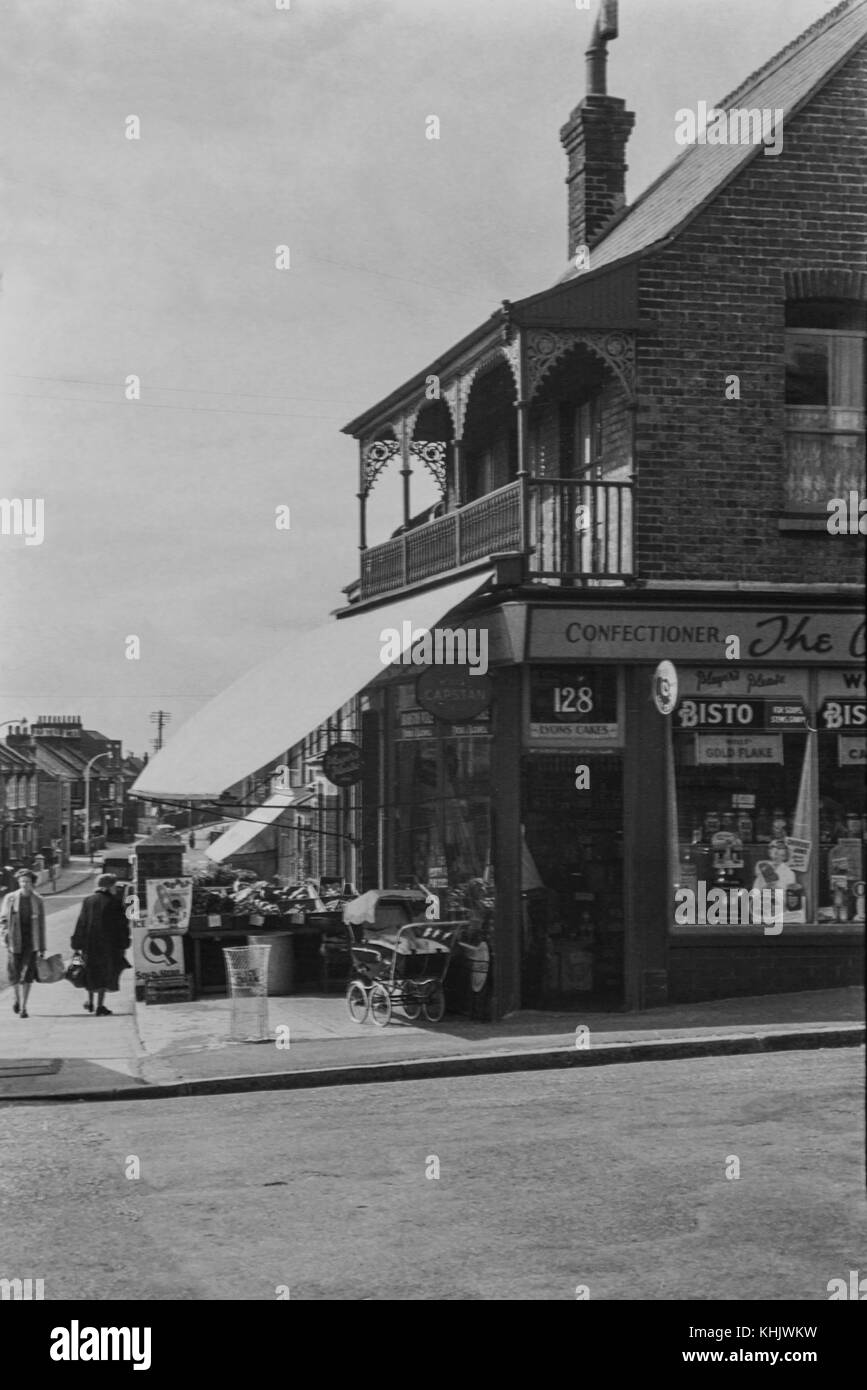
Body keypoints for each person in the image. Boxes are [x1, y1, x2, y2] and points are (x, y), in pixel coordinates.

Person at [71, 873, 130, 1016]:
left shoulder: (88, 901)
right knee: (104, 975)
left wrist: (77, 943)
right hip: (108, 946)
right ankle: (100, 1005)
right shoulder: (115, 902)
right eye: (114, 886)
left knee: (90, 972)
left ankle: (90, 1001)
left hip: (89, 945)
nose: (115, 889)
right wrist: (124, 943)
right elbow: (121, 925)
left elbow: (81, 923)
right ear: (109, 887)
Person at [0, 867, 47, 1019]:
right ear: (18, 882)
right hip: (14, 941)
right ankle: (16, 998)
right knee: (14, 973)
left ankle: (24, 1007)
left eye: (27, 882)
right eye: (22, 881)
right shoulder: (10, 898)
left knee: (27, 975)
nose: (24, 884)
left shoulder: (38, 900)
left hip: (31, 942)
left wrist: (42, 946)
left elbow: (41, 924)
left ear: (32, 883)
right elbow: (3, 919)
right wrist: (4, 934)